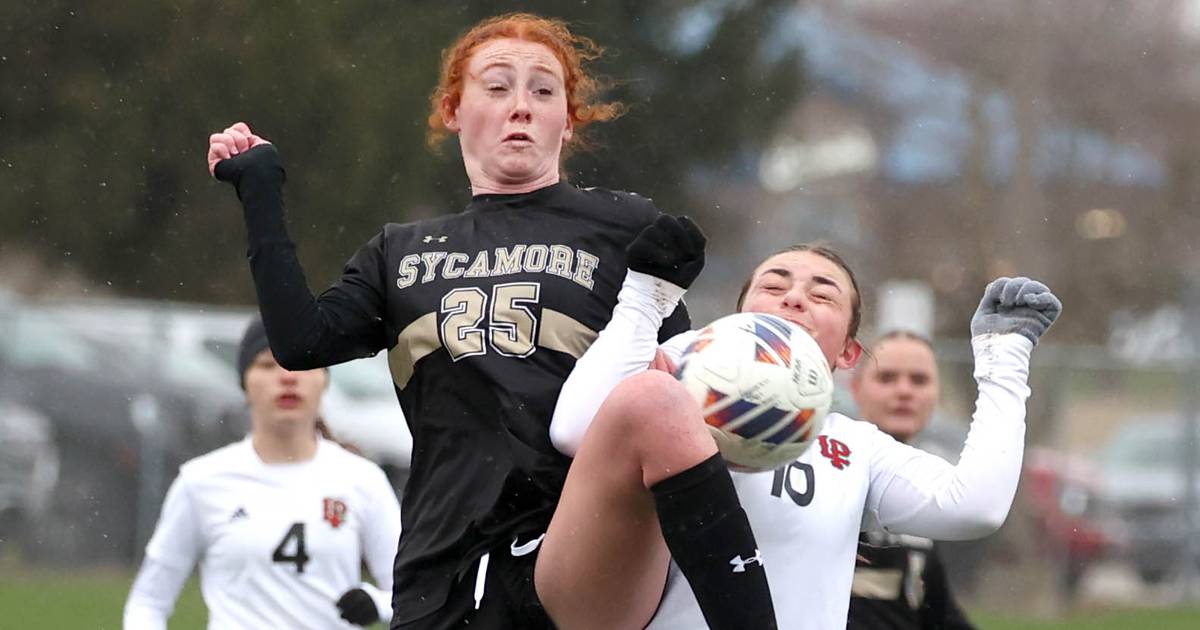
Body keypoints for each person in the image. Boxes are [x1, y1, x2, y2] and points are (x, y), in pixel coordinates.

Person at [207, 12, 778, 630]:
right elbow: (299, 342)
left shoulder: (623, 230)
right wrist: (260, 192)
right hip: (441, 559)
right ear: (453, 109)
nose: (522, 107)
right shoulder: (399, 252)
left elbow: (676, 404)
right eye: (498, 86)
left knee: (656, 398)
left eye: (543, 90)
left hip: (579, 549)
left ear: (568, 118)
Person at [550, 243, 1062, 629]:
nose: (794, 297)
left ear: (848, 355)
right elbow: (572, 429)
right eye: (773, 286)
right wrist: (644, 304)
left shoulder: (856, 446)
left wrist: (1004, 361)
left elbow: (974, 507)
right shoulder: (668, 387)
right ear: (736, 318)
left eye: (822, 295)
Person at [123, 318, 402, 629]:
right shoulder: (201, 481)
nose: (287, 377)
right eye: (268, 365)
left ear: (323, 380)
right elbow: (148, 602)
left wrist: (376, 603)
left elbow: (411, 589)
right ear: (245, 383)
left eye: (302, 364)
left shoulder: (363, 480)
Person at [846, 331, 976, 630]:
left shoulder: (923, 483)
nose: (904, 391)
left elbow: (939, 613)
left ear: (937, 394)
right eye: (887, 377)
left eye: (919, 380)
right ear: (855, 388)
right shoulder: (831, 471)